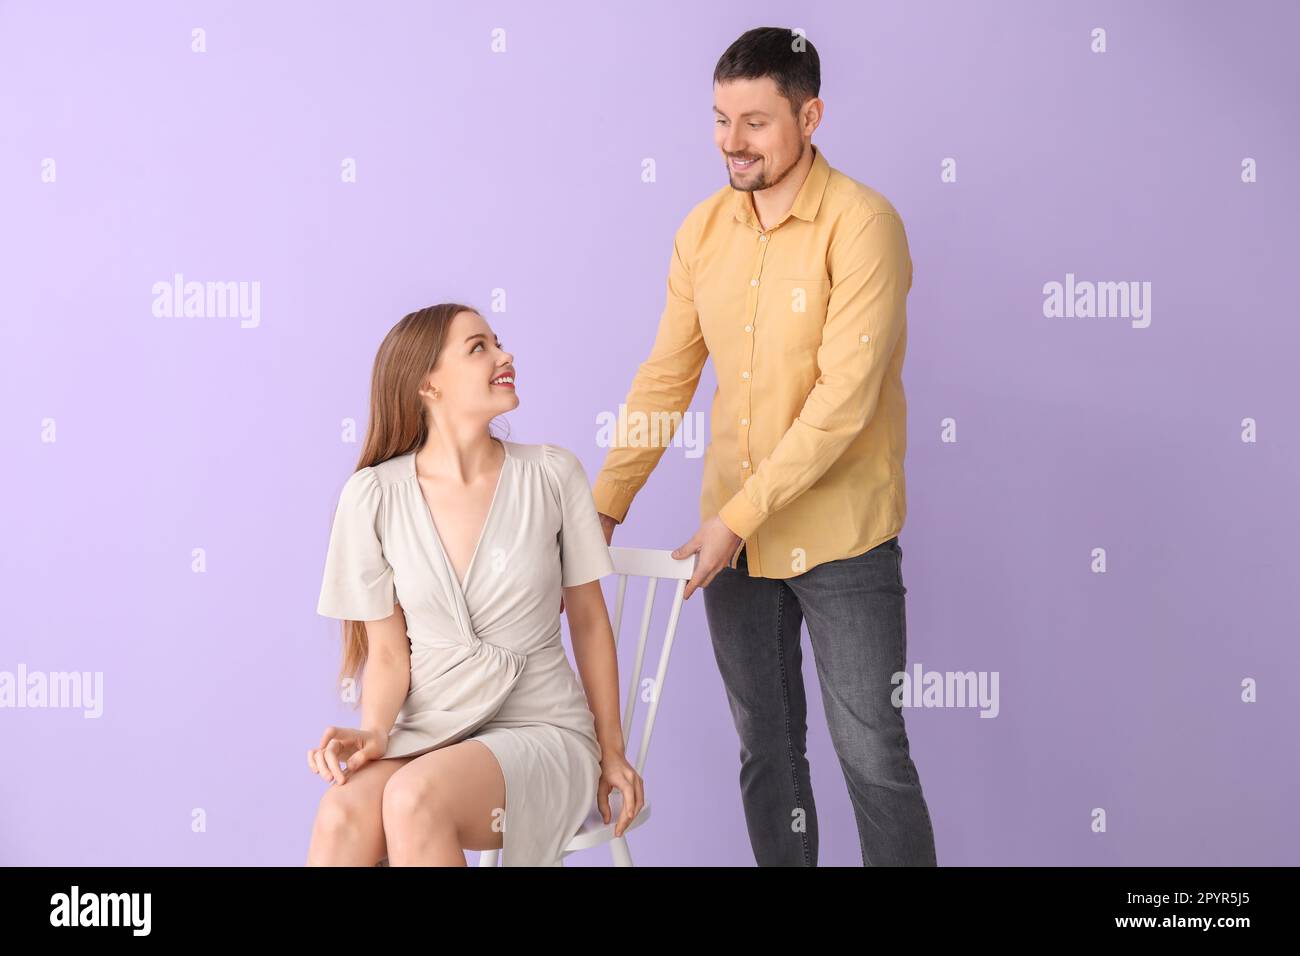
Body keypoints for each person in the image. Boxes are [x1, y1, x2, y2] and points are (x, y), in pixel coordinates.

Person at [591, 27, 936, 866]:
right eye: (719, 119)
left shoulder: (863, 226)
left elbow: (841, 407)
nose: (730, 143)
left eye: (754, 122)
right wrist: (600, 507)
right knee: (768, 757)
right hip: (734, 552)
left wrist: (735, 520)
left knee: (873, 759)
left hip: (842, 537)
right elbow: (666, 380)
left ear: (808, 115)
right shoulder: (703, 231)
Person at [306, 303, 644, 866]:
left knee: (415, 796)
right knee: (340, 813)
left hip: (542, 727)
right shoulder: (372, 496)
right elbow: (389, 653)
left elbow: (587, 621)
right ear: (427, 384)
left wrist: (613, 751)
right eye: (478, 347)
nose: (504, 355)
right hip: (434, 726)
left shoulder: (552, 474)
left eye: (498, 342)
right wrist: (373, 732)